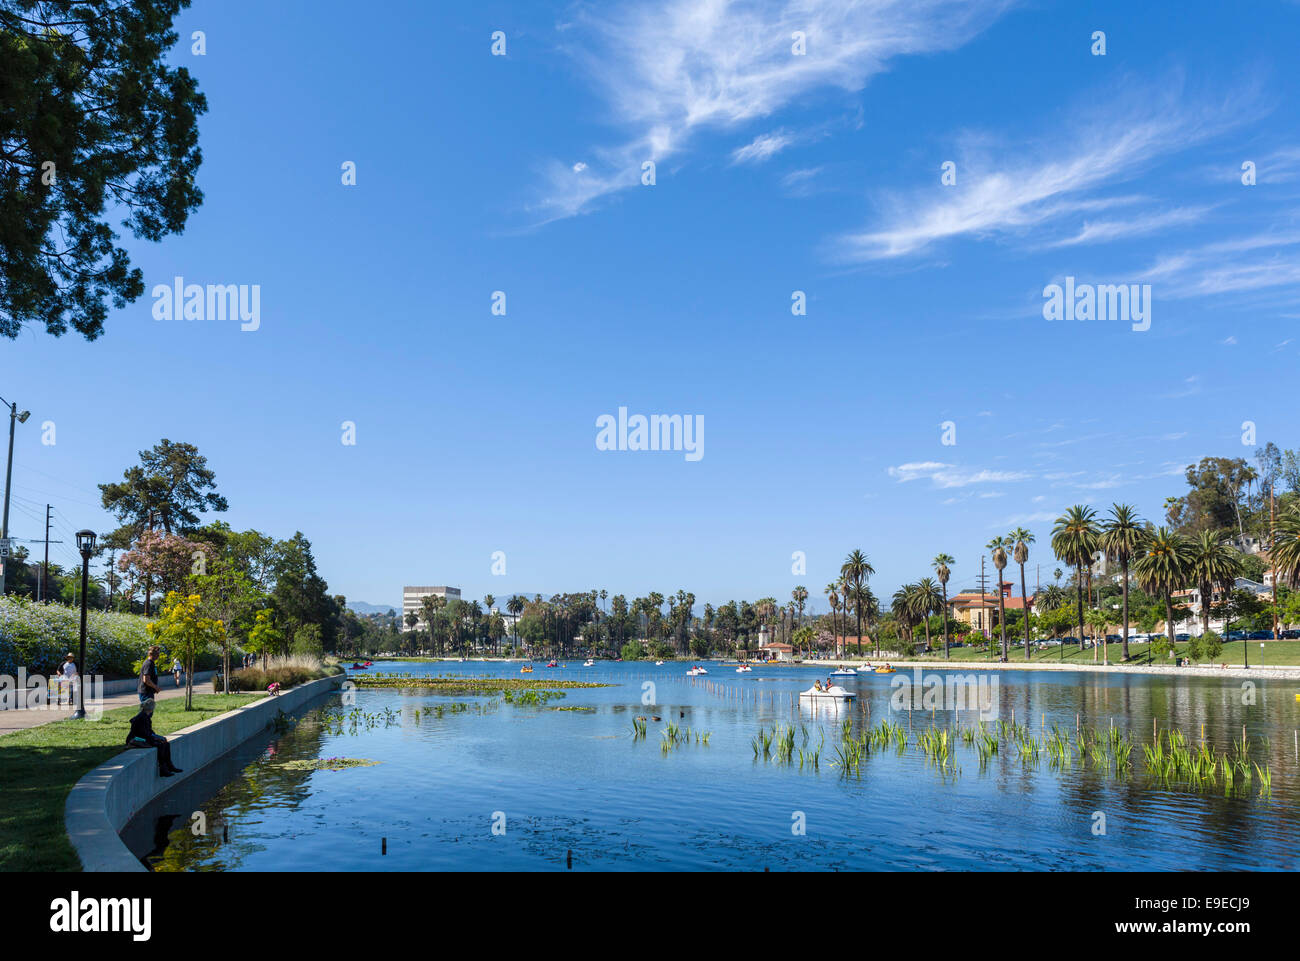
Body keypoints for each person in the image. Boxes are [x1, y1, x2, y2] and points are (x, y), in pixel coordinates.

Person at [126, 699, 182, 777]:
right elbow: (143, 734)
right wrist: (155, 738)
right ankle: (163, 768)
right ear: (151, 709)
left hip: (143, 737)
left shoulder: (145, 716)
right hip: (136, 739)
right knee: (160, 745)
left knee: (166, 744)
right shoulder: (142, 717)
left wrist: (158, 737)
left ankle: (169, 765)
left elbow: (149, 732)